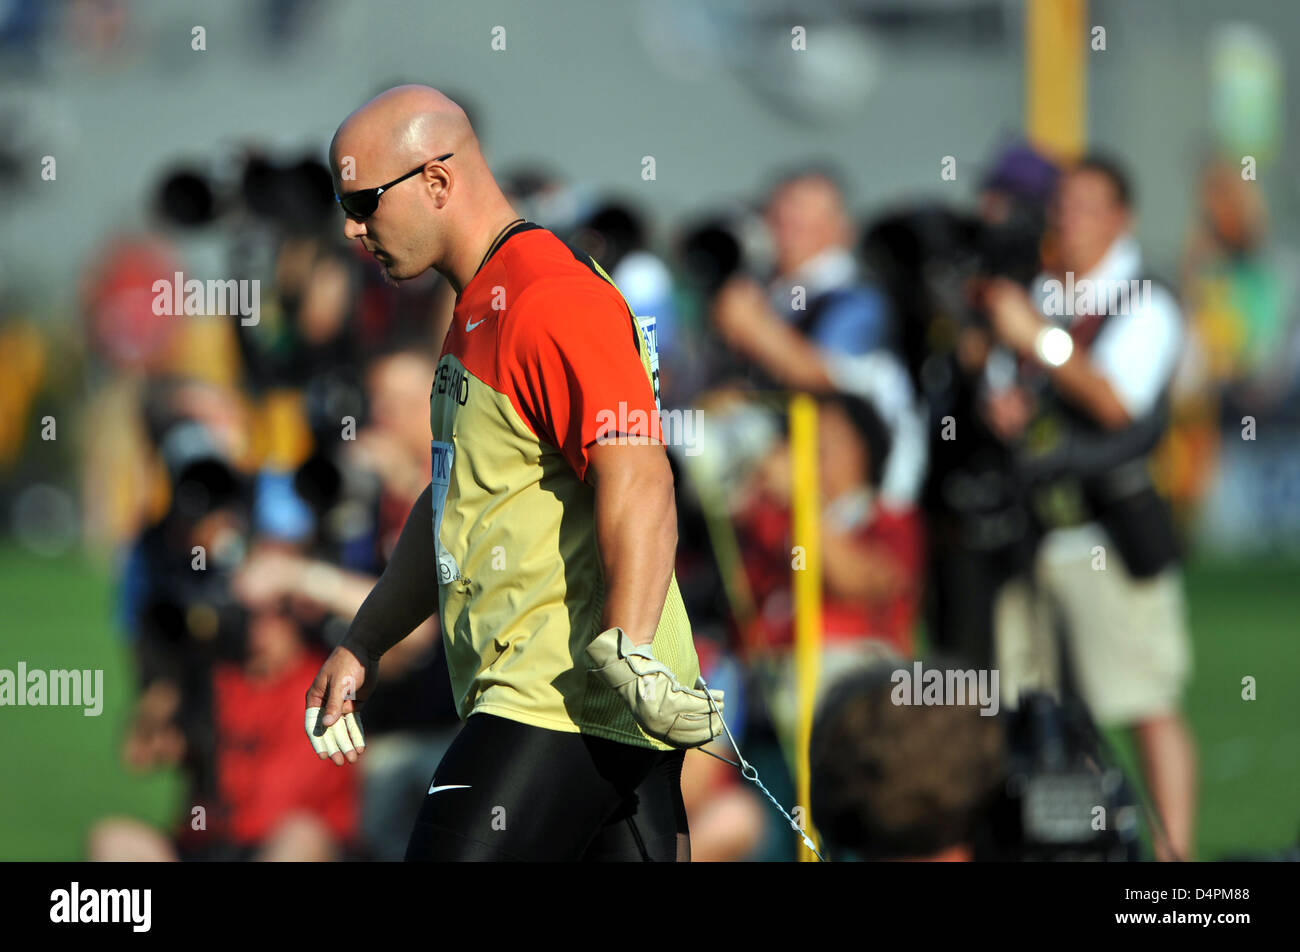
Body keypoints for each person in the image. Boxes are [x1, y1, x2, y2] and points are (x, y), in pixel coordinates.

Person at [304, 84, 724, 861]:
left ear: (436, 180)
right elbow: (455, 504)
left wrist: (629, 645)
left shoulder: (549, 294)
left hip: (560, 703)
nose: (351, 226)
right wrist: (363, 642)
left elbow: (638, 475)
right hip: (578, 713)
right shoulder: (479, 305)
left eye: (363, 199)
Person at [984, 154, 1198, 861]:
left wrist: (1036, 343)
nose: (1065, 222)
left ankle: (1171, 864)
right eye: (1061, 207)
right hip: (1035, 534)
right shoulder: (1043, 293)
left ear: (1120, 219)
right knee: (1035, 708)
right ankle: (1073, 845)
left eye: (1083, 208)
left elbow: (1117, 403)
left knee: (1143, 702)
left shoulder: (1145, 302)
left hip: (1112, 535)